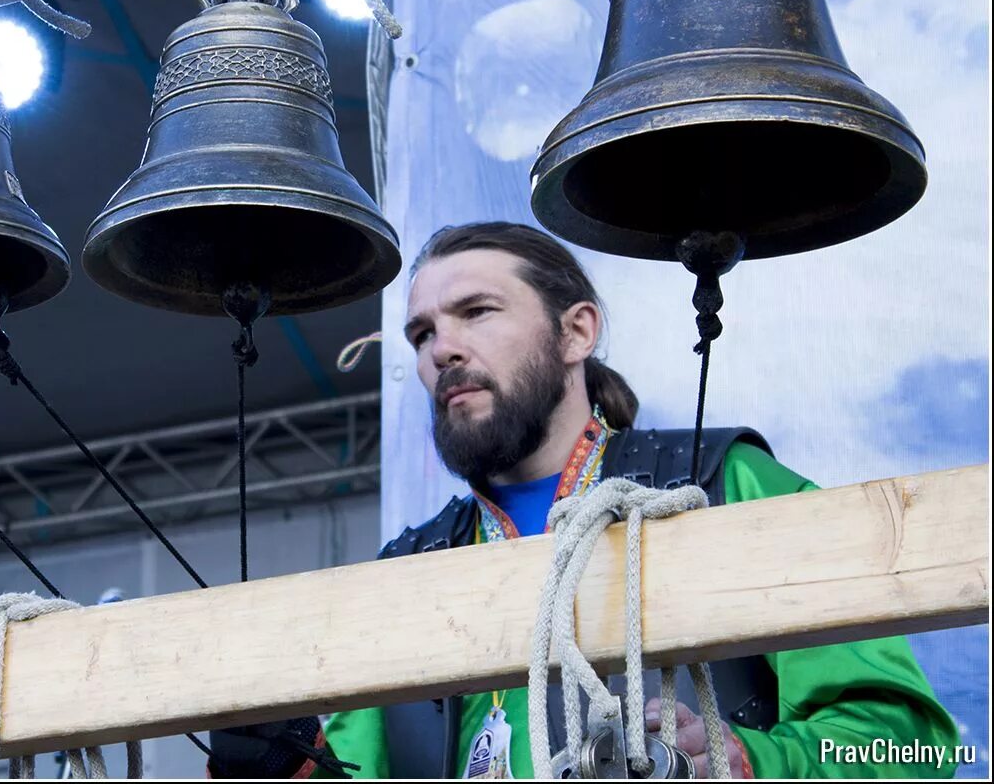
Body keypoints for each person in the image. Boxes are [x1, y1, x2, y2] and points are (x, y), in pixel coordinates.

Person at [208, 221, 958, 779]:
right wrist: (283, 766)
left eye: (477, 311)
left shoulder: (722, 483)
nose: (442, 349)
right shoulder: (403, 574)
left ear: (576, 332)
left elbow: (913, 748)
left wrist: (749, 761)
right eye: (422, 332)